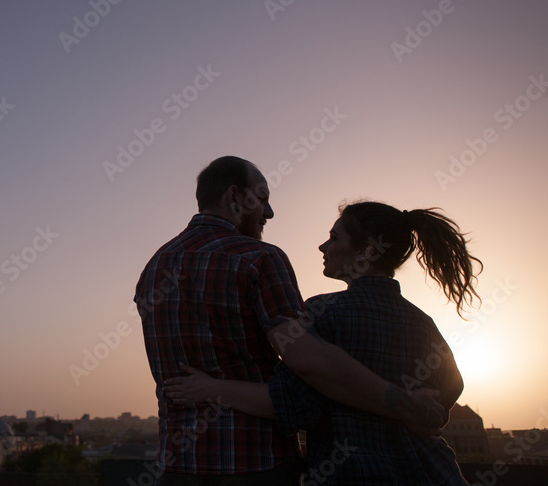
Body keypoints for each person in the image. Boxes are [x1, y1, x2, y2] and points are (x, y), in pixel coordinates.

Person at [136, 157, 447, 485]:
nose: (269, 213)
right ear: (235, 197)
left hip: (178, 468)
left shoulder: (154, 268)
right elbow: (309, 365)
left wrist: (210, 389)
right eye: (263, 198)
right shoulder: (259, 258)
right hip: (257, 465)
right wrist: (409, 406)